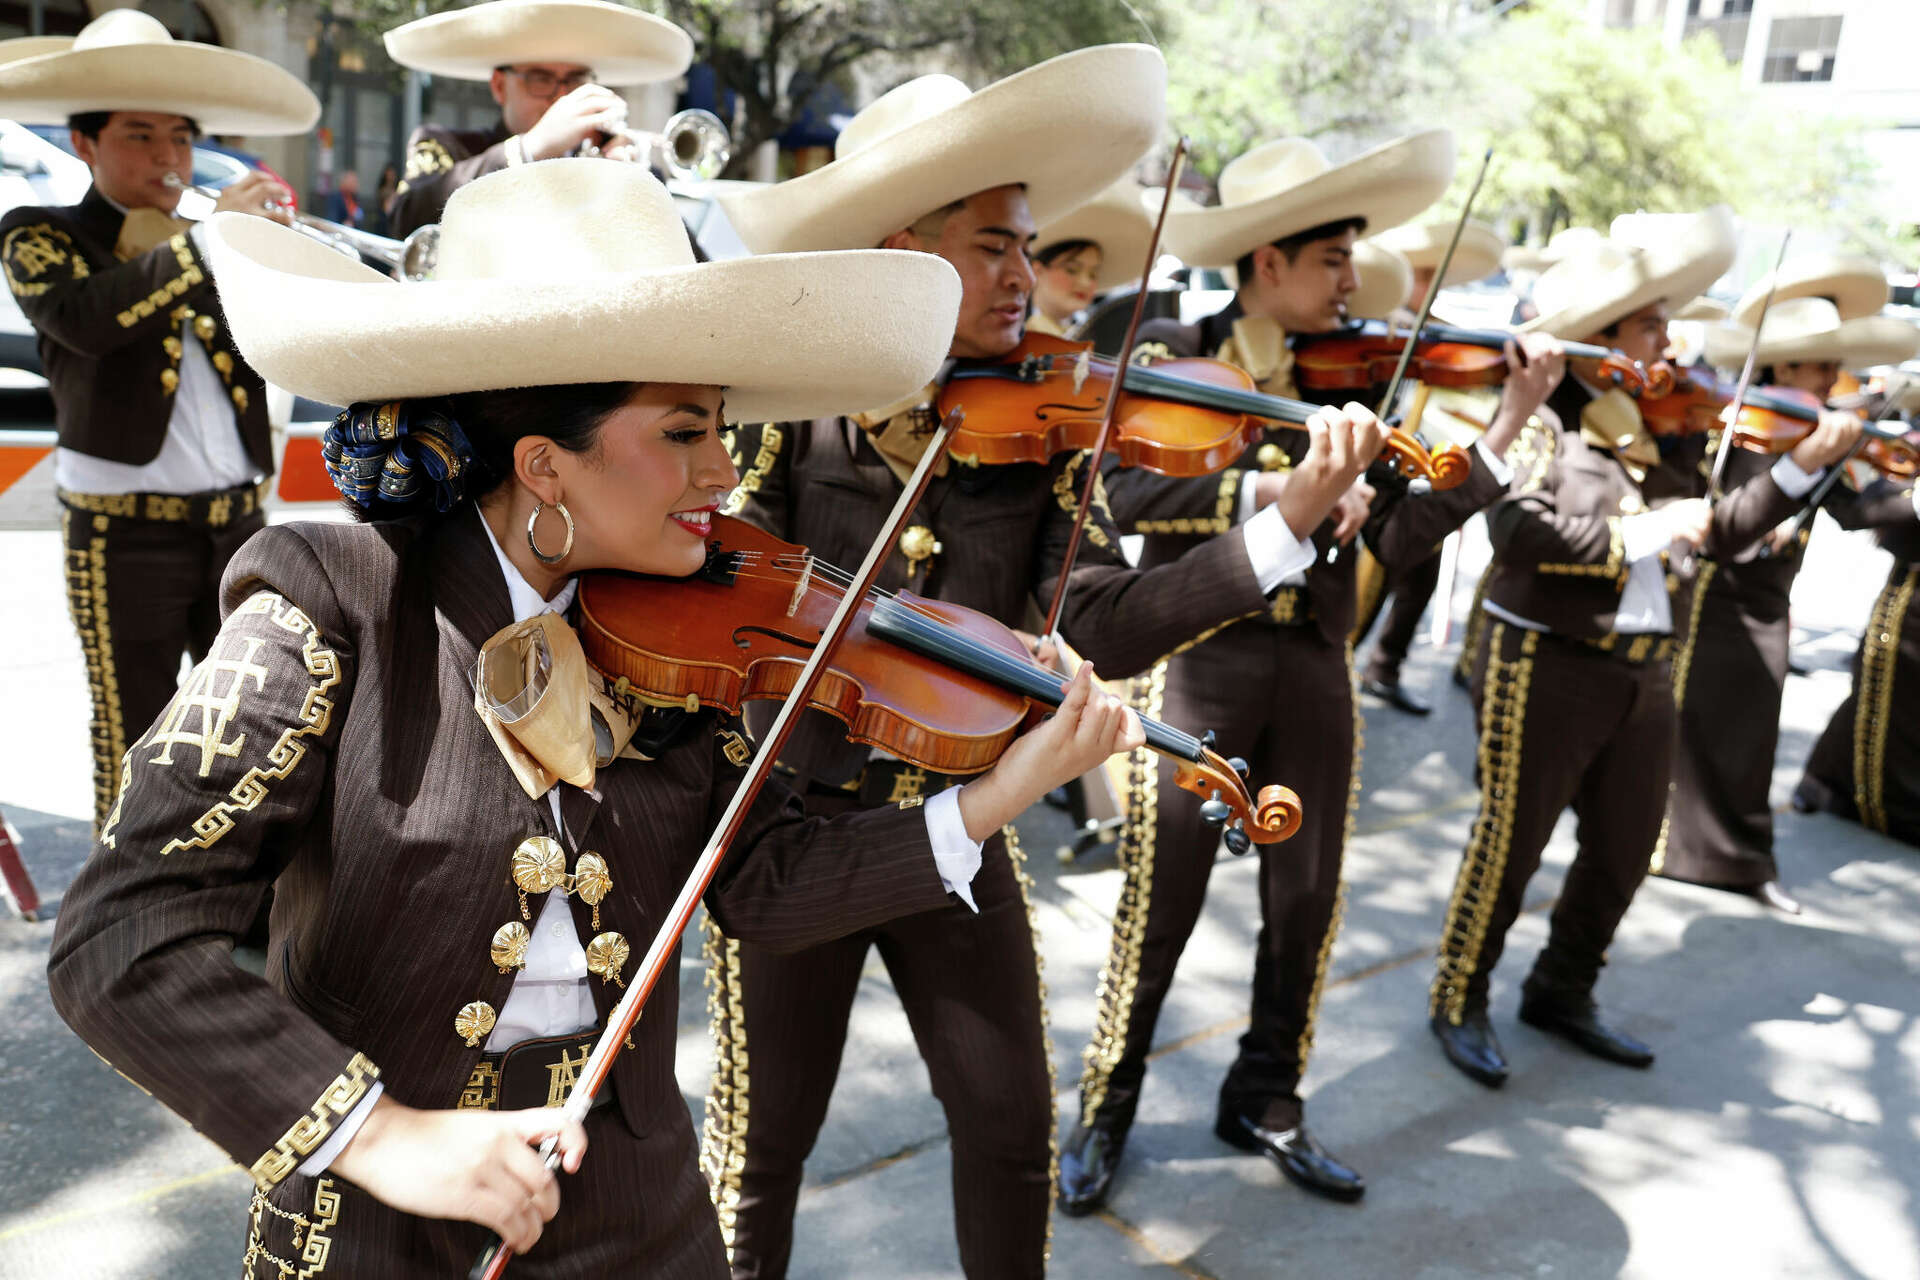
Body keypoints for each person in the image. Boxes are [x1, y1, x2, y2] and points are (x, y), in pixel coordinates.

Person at [48, 157, 1147, 1278]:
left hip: (638, 1203)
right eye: (683, 432)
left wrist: (997, 792)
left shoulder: (689, 630)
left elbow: (763, 883)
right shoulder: (331, 599)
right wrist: (378, 1133)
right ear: (543, 464)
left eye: (719, 427)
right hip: (378, 1215)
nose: (725, 469)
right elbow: (118, 935)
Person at [708, 50, 1390, 1277]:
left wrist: (1284, 521)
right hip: (796, 827)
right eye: (993, 249)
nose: (1028, 276)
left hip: (965, 821)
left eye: (1029, 247)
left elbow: (1105, 617)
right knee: (761, 1157)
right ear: (901, 252)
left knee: (1011, 1130)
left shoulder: (1038, 426)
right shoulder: (781, 411)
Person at [1058, 130, 1564, 1213]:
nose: (1353, 281)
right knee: (1164, 902)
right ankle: (1108, 1102)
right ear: (1267, 262)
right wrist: (1273, 499)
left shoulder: (1365, 381)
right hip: (1199, 657)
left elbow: (1402, 532)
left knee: (1308, 898)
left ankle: (1268, 1095)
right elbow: (1129, 503)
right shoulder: (1173, 351)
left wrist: (1511, 419)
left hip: (1316, 661)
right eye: (1332, 258)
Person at [1425, 208, 1865, 1091]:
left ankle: (1563, 989)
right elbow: (1517, 531)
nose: (1672, 341)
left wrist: (1802, 465)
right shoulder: (1545, 415)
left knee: (1624, 850)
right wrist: (1639, 531)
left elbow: (1726, 532)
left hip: (1645, 669)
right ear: (1599, 338)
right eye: (1650, 324)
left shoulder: (1667, 425)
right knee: (1509, 845)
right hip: (1545, 660)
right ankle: (1458, 997)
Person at [0, 10, 316, 834]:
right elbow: (86, 319)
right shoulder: (41, 234)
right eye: (140, 137)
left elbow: (283, 346)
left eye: (179, 137)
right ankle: (124, 918)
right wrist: (211, 241)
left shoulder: (210, 237)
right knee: (134, 731)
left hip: (237, 526)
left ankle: (228, 901)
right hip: (122, 536)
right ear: (84, 145)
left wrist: (278, 254)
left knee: (252, 727)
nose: (170, 159)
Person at [1654, 282, 1920, 905]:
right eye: (1819, 366)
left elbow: (1860, 511)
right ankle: (1681, 849)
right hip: (1711, 599)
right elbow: (1712, 521)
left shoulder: (1822, 434)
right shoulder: (1735, 422)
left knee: (1749, 736)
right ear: (1780, 365)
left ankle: (1733, 857)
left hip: (1767, 603)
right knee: (1691, 733)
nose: (1833, 380)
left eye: (1835, 366)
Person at [1353, 218, 1509, 715]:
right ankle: (1344, 665)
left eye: (1432, 277)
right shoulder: (1371, 317)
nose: (1425, 288)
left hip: (1413, 465)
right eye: (1418, 275)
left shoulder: (1435, 327)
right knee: (1361, 587)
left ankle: (1384, 667)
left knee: (1420, 570)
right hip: (1362, 475)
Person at [384, 0, 693, 236]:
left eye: (575, 80)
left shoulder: (622, 162)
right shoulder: (447, 146)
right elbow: (405, 221)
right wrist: (531, 148)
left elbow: (694, 266)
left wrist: (636, 187)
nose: (561, 99)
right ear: (499, 86)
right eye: (540, 79)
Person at [1027, 179, 1152, 336]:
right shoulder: (1012, 332)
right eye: (1071, 270)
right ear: (1037, 270)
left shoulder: (1095, 335)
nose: (1085, 282)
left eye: (1093, 274)